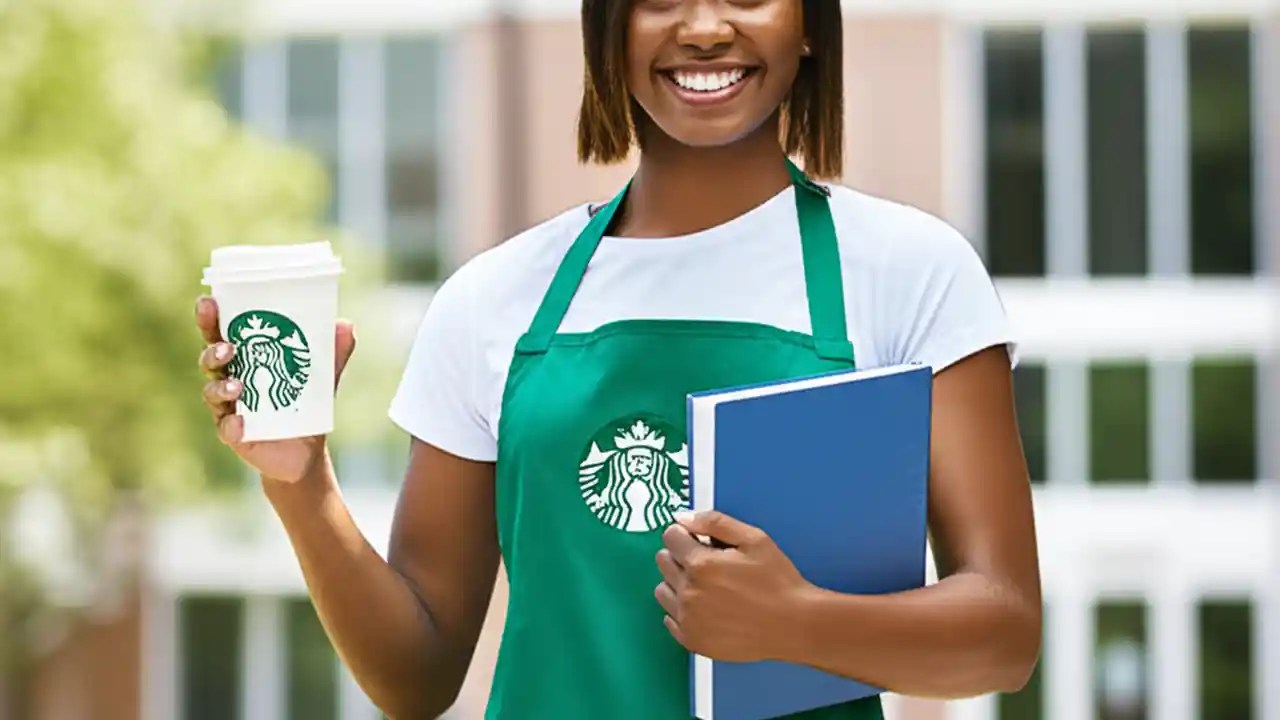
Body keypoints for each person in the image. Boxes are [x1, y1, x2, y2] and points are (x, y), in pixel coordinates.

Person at [196, 1, 1042, 718]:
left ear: (810, 25)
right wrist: (301, 487)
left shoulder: (910, 273)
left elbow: (1003, 635)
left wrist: (797, 622)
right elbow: (416, 678)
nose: (705, 28)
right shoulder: (495, 298)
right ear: (608, 31)